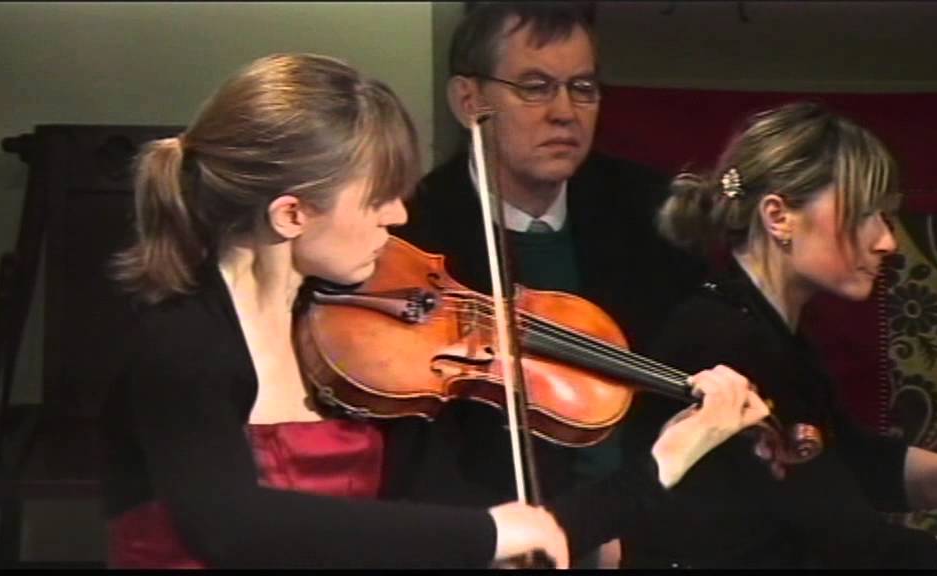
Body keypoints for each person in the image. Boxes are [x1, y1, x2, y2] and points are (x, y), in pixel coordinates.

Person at [99, 52, 769, 569]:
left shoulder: (365, 349)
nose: (399, 216)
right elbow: (231, 527)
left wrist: (668, 457)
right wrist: (489, 533)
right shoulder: (181, 343)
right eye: (377, 198)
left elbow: (518, 534)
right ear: (291, 214)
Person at [379, 3, 706, 567]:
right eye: (534, 88)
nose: (564, 113)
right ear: (469, 100)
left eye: (582, 88)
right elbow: (417, 455)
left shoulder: (651, 214)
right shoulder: (411, 236)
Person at [625, 101, 937, 569]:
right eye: (866, 215)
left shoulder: (772, 332)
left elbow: (854, 460)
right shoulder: (723, 340)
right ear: (779, 216)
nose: (887, 241)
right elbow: (841, 539)